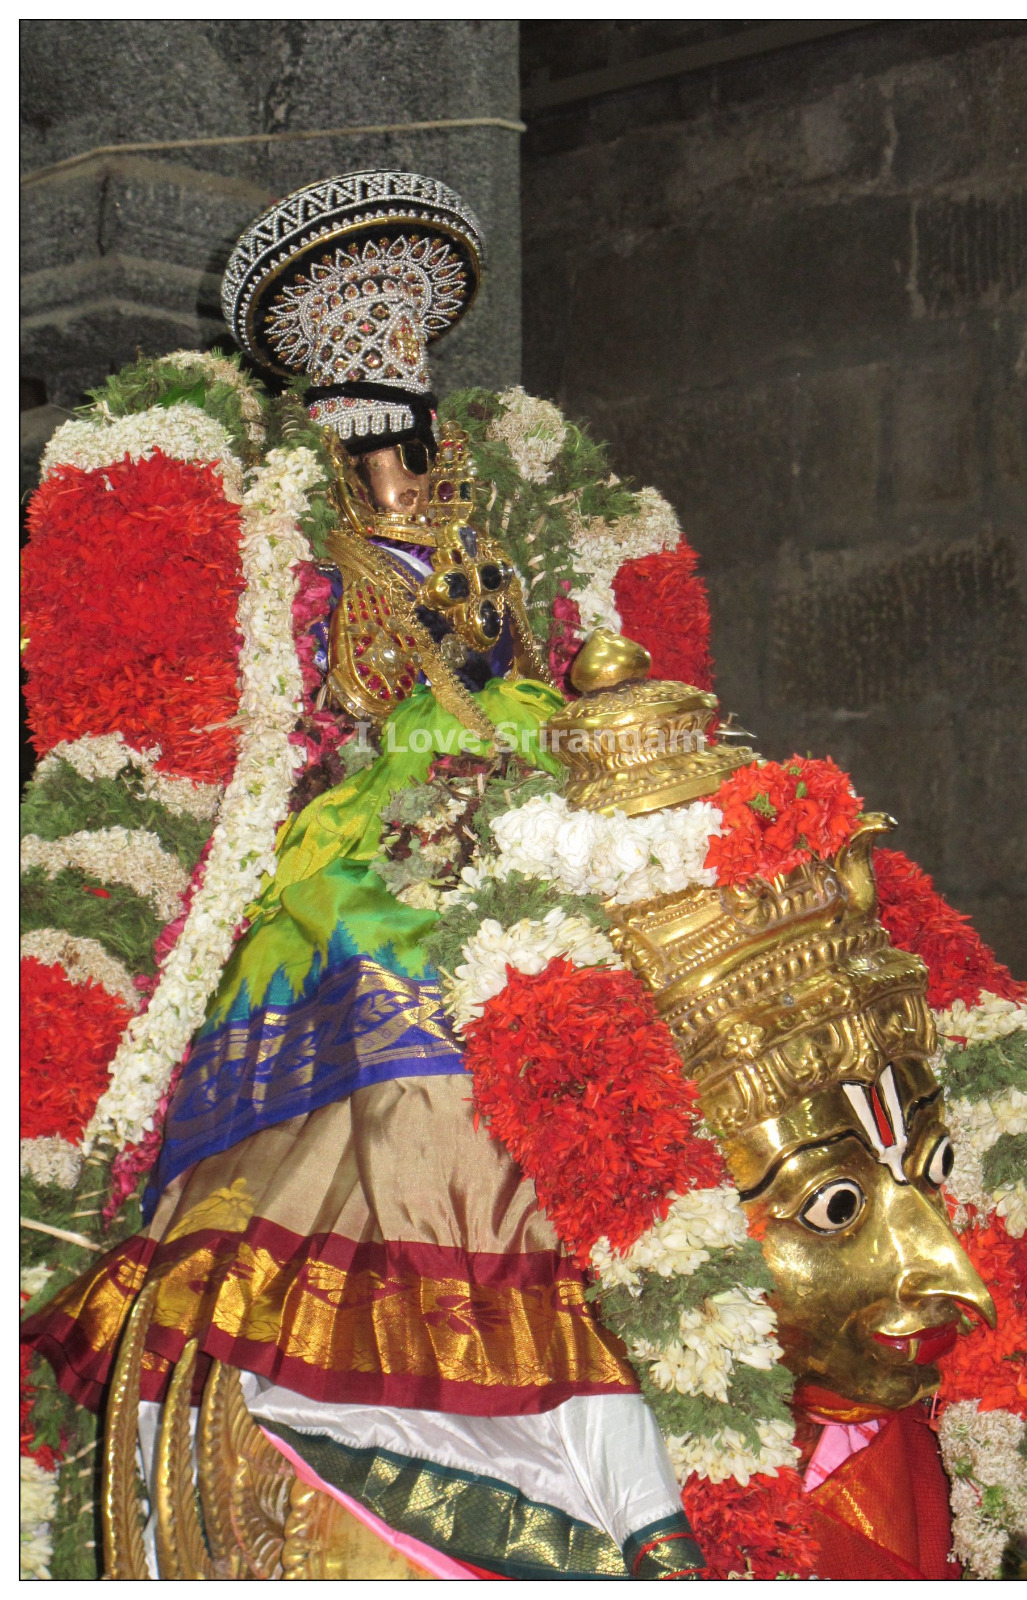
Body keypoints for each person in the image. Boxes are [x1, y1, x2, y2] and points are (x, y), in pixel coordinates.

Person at [23, 171, 705, 1581]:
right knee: (394, 975)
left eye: (404, 341)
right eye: (360, 348)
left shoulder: (496, 515)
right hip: (366, 816)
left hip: (532, 786)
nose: (389, 379)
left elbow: (542, 655)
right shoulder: (294, 521)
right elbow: (285, 704)